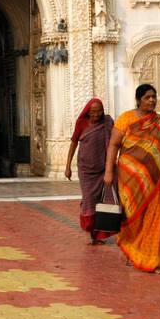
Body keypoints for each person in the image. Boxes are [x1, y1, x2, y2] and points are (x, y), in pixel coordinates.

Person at [104, 84, 160, 273]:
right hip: (129, 179)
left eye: (153, 97)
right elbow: (113, 145)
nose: (151, 100)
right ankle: (132, 250)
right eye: (147, 97)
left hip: (156, 180)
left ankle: (151, 257)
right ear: (138, 100)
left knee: (154, 217)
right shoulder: (126, 119)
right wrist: (108, 172)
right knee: (133, 216)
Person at [64, 97, 114, 244]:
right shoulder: (81, 123)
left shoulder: (107, 122)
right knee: (89, 199)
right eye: (92, 111)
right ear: (87, 111)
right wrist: (67, 166)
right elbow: (73, 143)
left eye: (99, 111)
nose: (96, 115)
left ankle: (98, 234)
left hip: (103, 168)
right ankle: (91, 228)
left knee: (101, 200)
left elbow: (116, 140)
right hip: (86, 170)